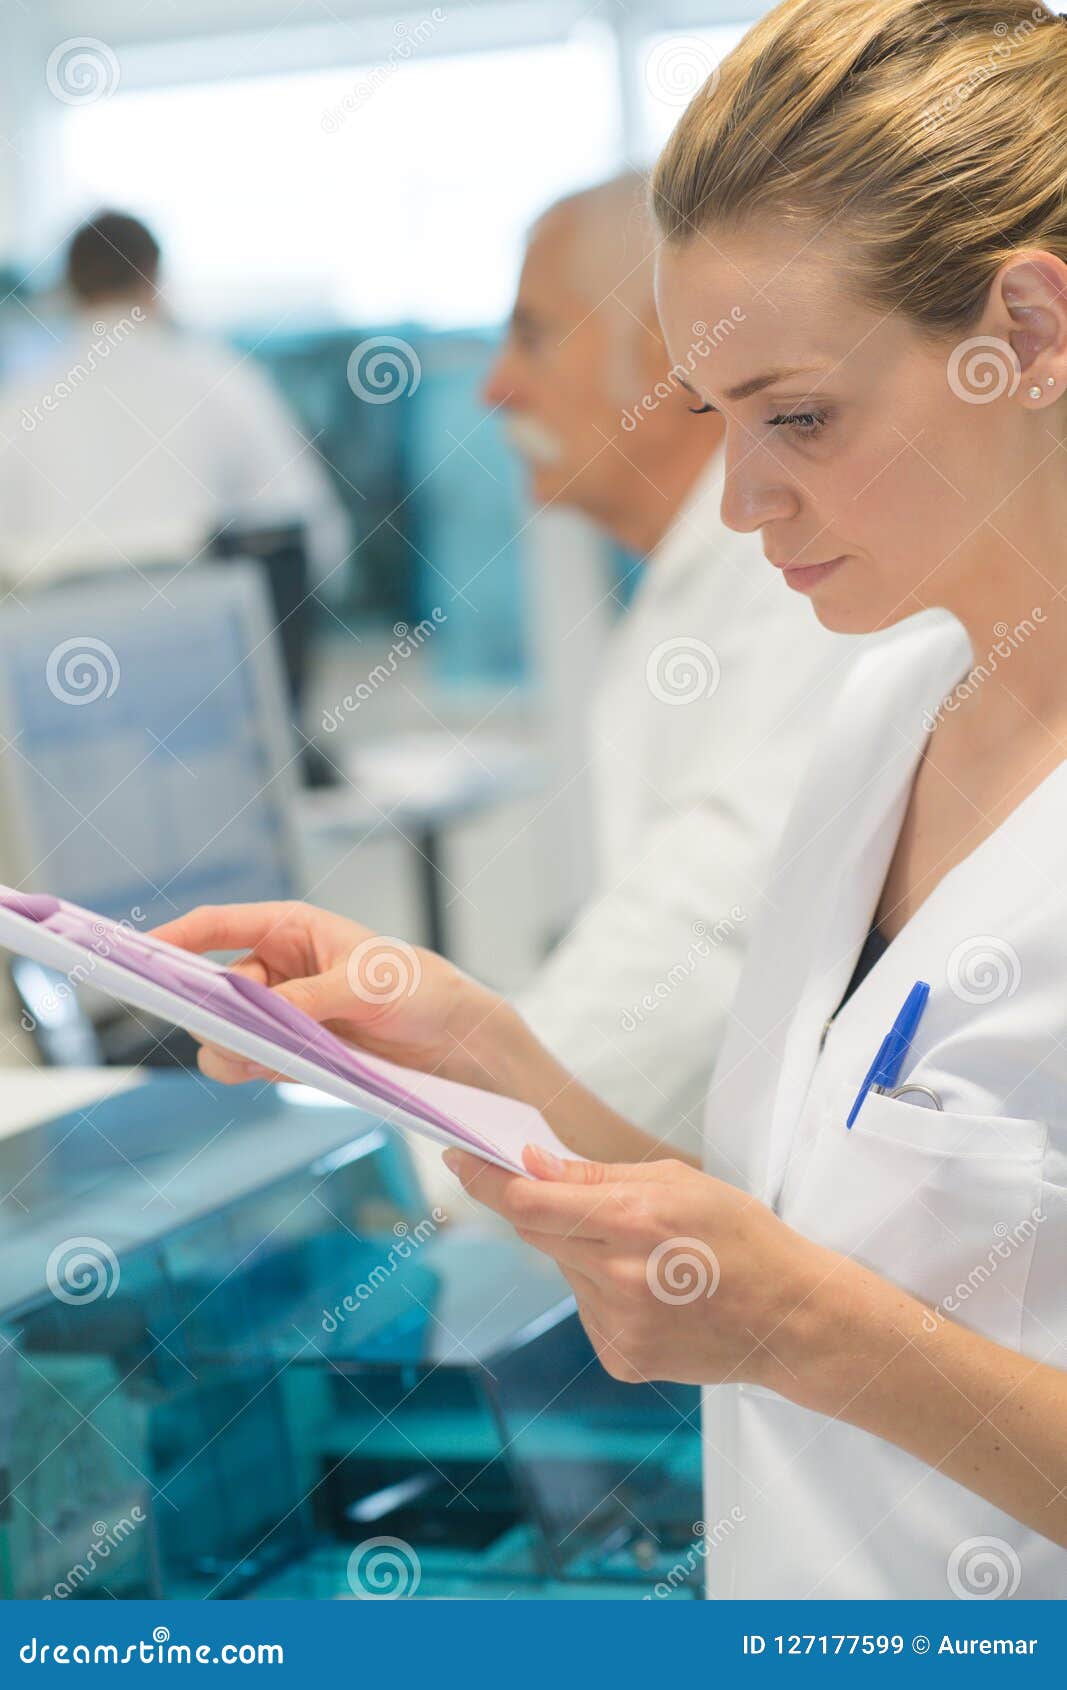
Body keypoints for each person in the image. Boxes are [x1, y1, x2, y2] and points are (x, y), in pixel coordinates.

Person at [155, 0, 1067, 1599]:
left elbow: (805, 1308)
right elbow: (786, 1246)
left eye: (798, 417)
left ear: (1032, 336)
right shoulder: (879, 717)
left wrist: (795, 1323)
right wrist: (483, 1060)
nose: (740, 495)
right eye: (718, 421)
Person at [484, 174, 848, 1154]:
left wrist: (446, 1144)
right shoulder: (694, 578)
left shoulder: (804, 580)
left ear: (668, 357)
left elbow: (703, 942)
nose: (495, 387)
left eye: (531, 336)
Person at [0, 211, 348, 592]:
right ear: (153, 279)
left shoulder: (21, 405)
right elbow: (318, 541)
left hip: (58, 642)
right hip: (207, 636)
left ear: (68, 289)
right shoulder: (223, 380)